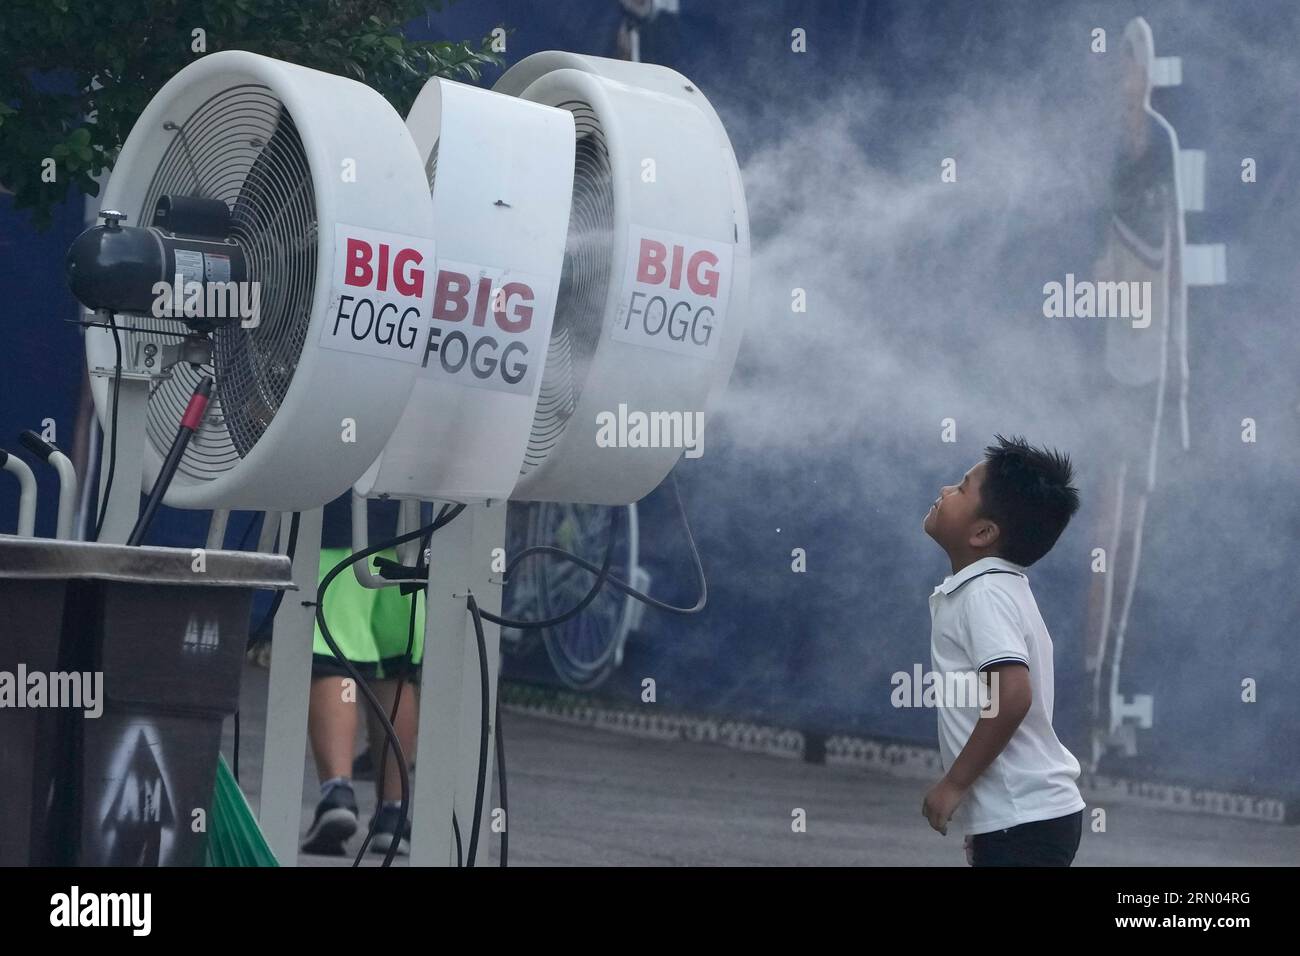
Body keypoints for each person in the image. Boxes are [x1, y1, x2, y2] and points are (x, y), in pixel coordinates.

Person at [1084, 15, 1188, 771]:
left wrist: (1178, 378)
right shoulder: (1096, 147)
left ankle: (1105, 696)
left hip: (1151, 367)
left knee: (1134, 534)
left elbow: (1175, 263)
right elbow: (1087, 249)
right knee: (1106, 523)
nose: (1133, 75)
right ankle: (1087, 699)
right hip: (1105, 359)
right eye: (1124, 62)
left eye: (1141, 64)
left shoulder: (1167, 145)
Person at [920, 435, 1085, 866]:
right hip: (1022, 818)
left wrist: (954, 785)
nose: (944, 491)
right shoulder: (996, 587)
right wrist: (984, 818)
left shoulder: (984, 594)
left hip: (1025, 819)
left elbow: (1012, 697)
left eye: (960, 488)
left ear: (983, 533)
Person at [301, 494, 425, 856]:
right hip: (416, 519)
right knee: (394, 666)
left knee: (333, 651)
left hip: (342, 507)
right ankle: (394, 815)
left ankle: (337, 794)